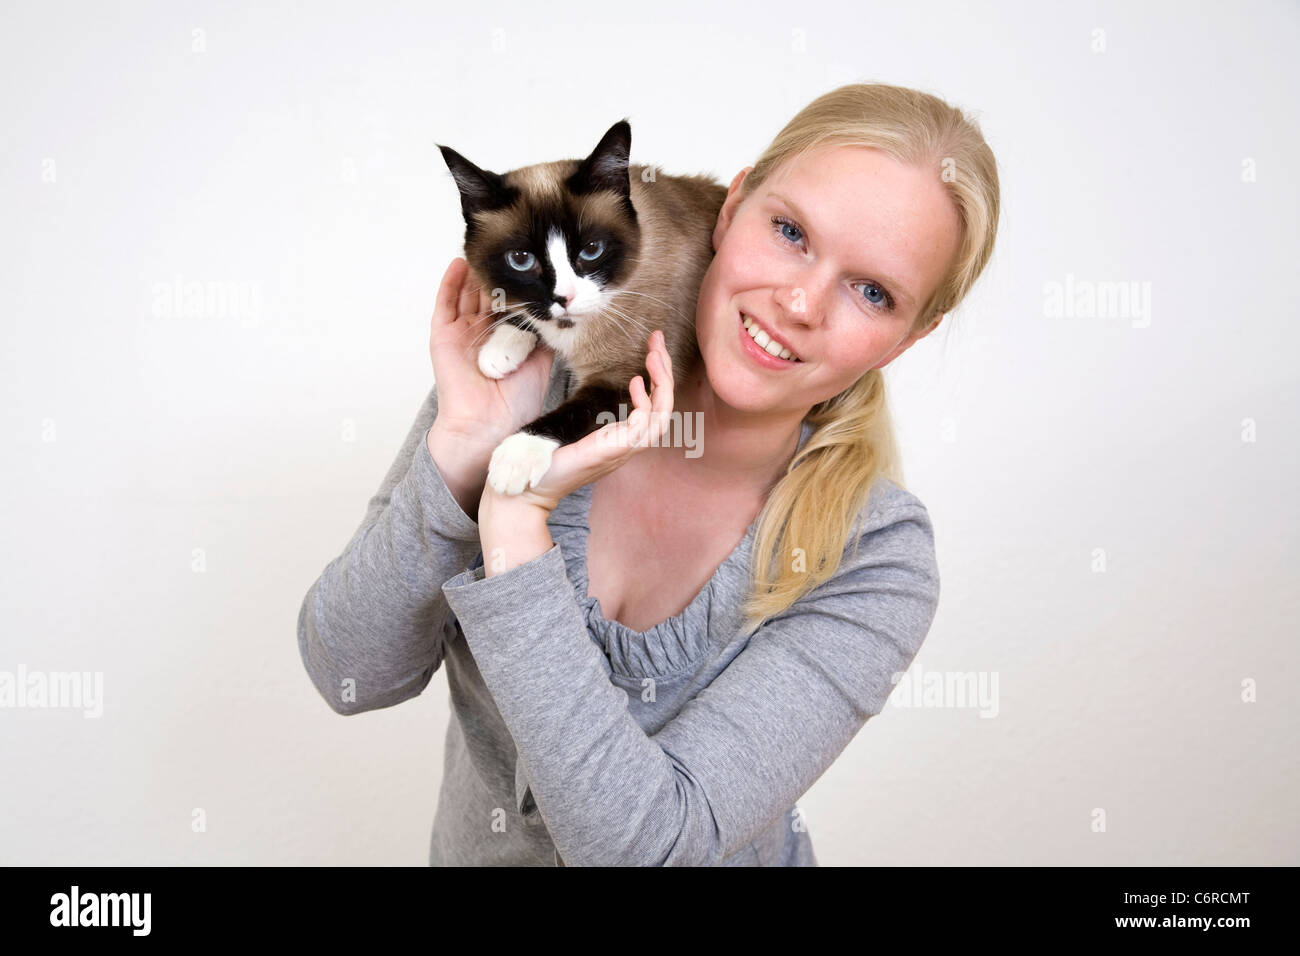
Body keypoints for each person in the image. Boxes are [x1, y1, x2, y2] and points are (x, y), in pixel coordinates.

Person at [297, 82, 1001, 866]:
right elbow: (350, 673)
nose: (801, 302)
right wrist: (464, 450)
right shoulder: (537, 384)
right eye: (790, 232)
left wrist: (515, 522)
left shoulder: (875, 557)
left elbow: (648, 851)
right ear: (731, 210)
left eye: (872, 292)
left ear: (908, 337)